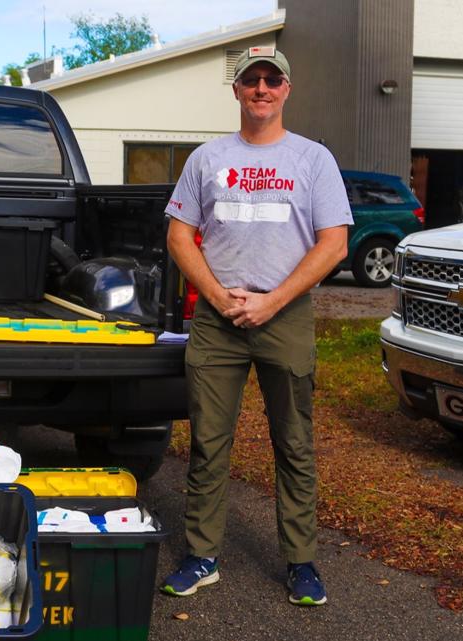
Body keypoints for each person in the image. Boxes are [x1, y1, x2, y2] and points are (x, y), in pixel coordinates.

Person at [160, 46, 350, 606]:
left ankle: (301, 562)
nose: (261, 88)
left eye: (272, 80)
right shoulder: (206, 158)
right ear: (237, 90)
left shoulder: (313, 159)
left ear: (286, 89)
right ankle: (202, 556)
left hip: (284, 315)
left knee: (293, 442)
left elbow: (334, 244)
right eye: (251, 80)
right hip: (218, 321)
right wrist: (219, 297)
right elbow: (178, 236)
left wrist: (273, 301)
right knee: (207, 441)